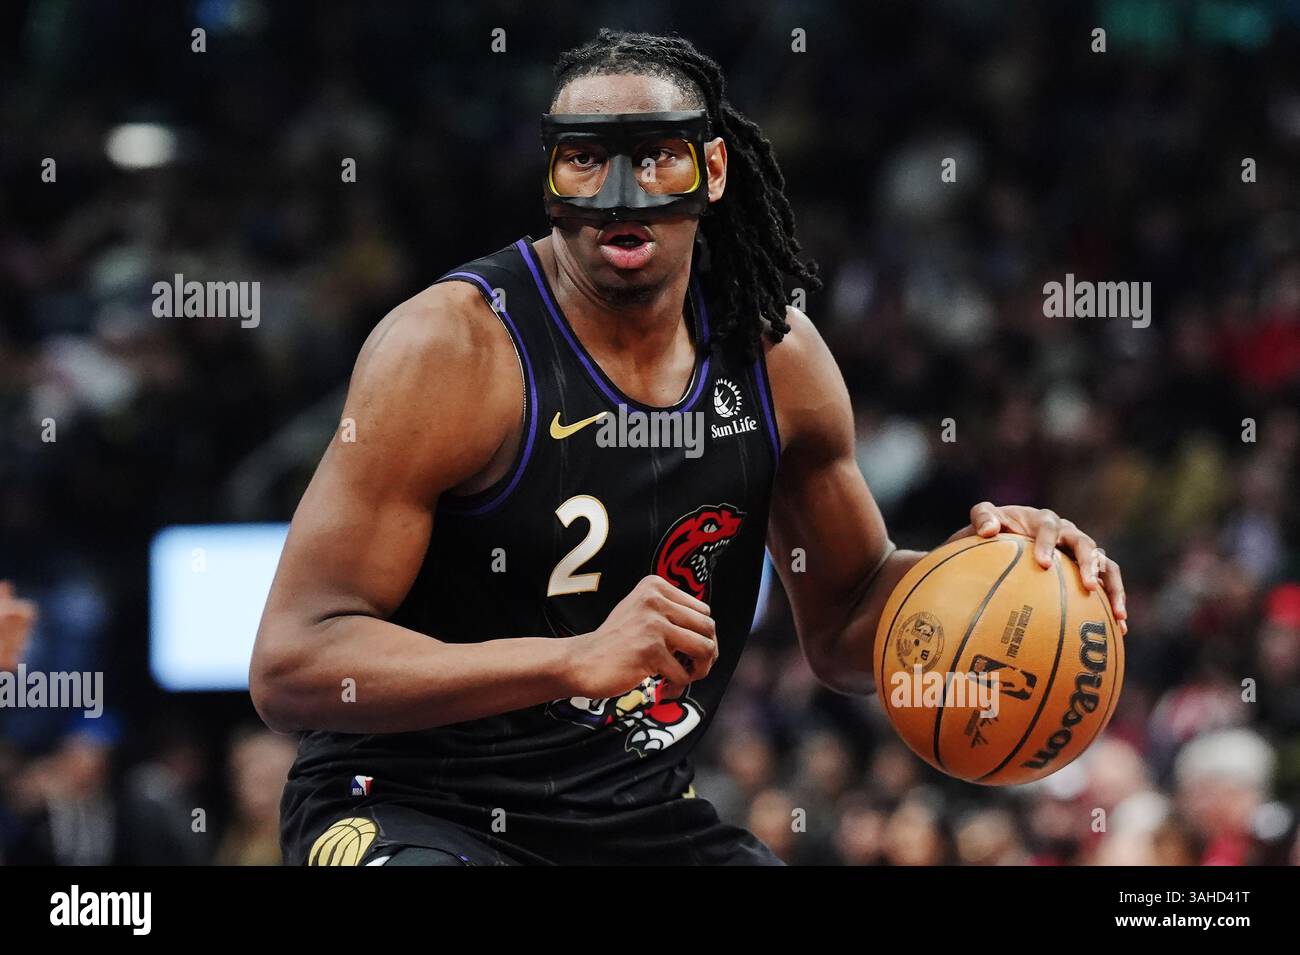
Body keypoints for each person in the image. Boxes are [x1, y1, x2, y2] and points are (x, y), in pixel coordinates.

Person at [251, 29, 1127, 866]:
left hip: (633, 820)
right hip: (405, 800)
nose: (620, 193)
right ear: (550, 176)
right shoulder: (449, 351)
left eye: (655, 156)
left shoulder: (776, 361)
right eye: (587, 157)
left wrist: (983, 575)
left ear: (712, 172)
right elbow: (294, 662)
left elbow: (849, 619)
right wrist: (570, 661)